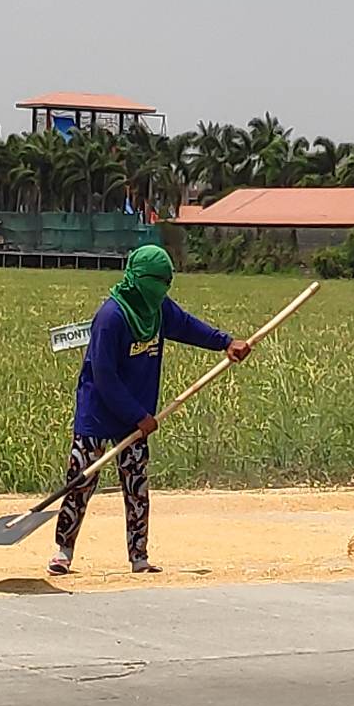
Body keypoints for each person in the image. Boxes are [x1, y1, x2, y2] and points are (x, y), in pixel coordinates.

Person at [53, 245, 250, 576]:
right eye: (158, 281)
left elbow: (187, 326)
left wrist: (225, 342)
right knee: (80, 483)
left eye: (167, 282)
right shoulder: (111, 317)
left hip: (136, 419)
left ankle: (139, 556)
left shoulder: (157, 309)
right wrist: (138, 415)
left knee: (136, 486)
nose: (163, 288)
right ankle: (63, 551)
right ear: (138, 278)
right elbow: (105, 377)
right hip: (99, 414)